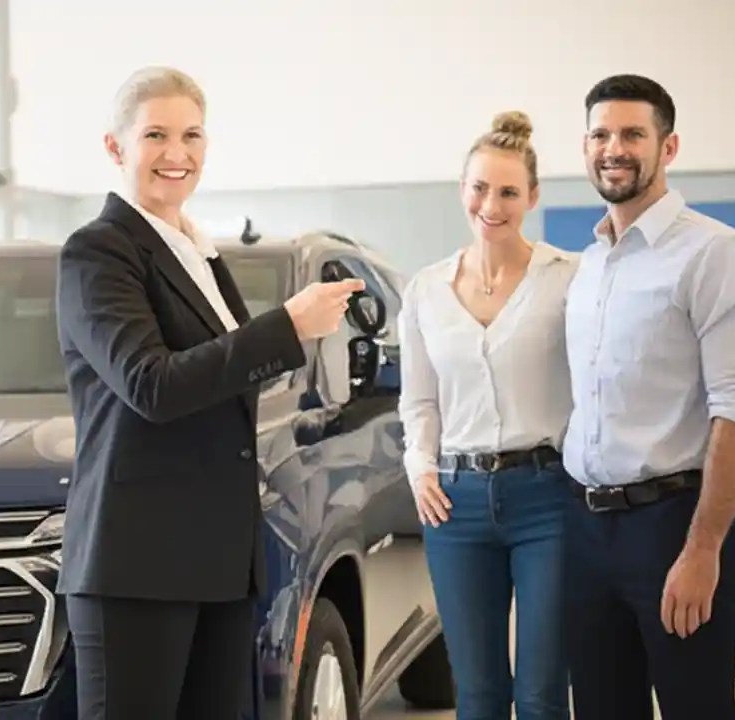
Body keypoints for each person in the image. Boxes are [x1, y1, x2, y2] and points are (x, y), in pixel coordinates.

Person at [53, 66, 365, 719]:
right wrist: (286, 326)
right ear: (116, 148)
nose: (178, 153)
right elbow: (152, 385)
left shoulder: (197, 251)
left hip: (215, 561)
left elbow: (221, 381)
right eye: (156, 135)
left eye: (192, 135)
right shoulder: (99, 252)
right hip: (138, 565)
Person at [561, 74, 735, 720]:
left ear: (668, 147)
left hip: (674, 523)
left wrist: (704, 547)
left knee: (696, 707)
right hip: (587, 526)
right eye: (600, 134)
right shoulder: (591, 263)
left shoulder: (715, 254)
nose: (613, 148)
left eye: (632, 133)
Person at [398, 110, 577, 720]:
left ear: (531, 195)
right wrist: (420, 468)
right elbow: (419, 401)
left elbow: (594, 390)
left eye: (507, 191)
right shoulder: (425, 290)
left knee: (543, 692)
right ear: (462, 189)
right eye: (480, 188)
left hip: (548, 499)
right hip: (456, 503)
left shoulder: (568, 279)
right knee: (476, 694)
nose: (491, 205)